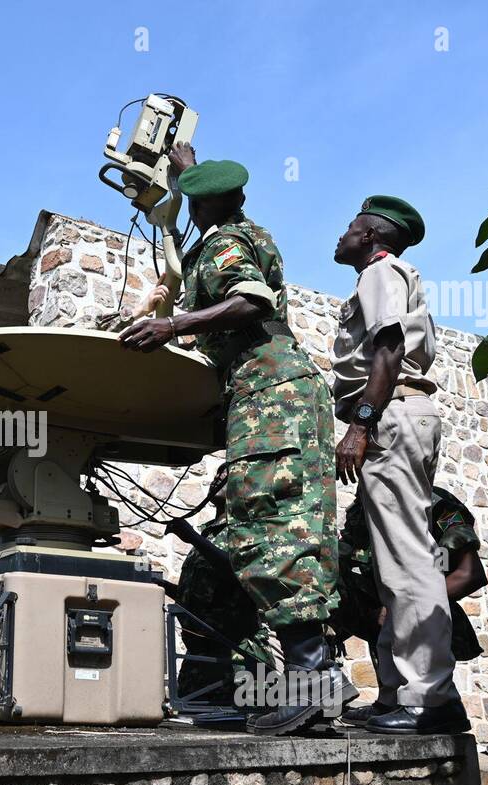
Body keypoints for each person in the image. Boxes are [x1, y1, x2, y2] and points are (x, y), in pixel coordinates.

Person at [120, 145, 350, 735]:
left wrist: (172, 325)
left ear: (209, 205)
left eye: (193, 200)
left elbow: (250, 300)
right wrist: (183, 166)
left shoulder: (225, 241)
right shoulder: (239, 228)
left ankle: (312, 685)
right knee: (272, 527)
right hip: (277, 393)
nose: (189, 211)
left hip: (272, 395)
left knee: (276, 529)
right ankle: (312, 693)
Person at [331, 195, 468, 734]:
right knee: (396, 560)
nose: (340, 236)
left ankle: (428, 699)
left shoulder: (380, 273)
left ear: (369, 237)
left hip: (389, 413)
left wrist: (361, 423)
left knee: (408, 559)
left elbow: (387, 346)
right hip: (404, 414)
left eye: (349, 227)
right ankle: (397, 695)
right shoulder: (389, 275)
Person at [332, 485, 487, 723]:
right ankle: (388, 702)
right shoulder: (362, 506)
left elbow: (468, 573)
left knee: (397, 607)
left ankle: (429, 703)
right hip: (381, 609)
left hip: (426, 616)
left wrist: (404, 605)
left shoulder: (430, 503)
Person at [161, 463, 272, 706]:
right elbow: (200, 595)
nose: (218, 478)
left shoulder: (247, 529)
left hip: (236, 658)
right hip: (201, 658)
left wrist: (191, 537)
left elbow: (236, 572)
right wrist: (159, 585)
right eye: (217, 474)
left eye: (226, 474)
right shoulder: (210, 535)